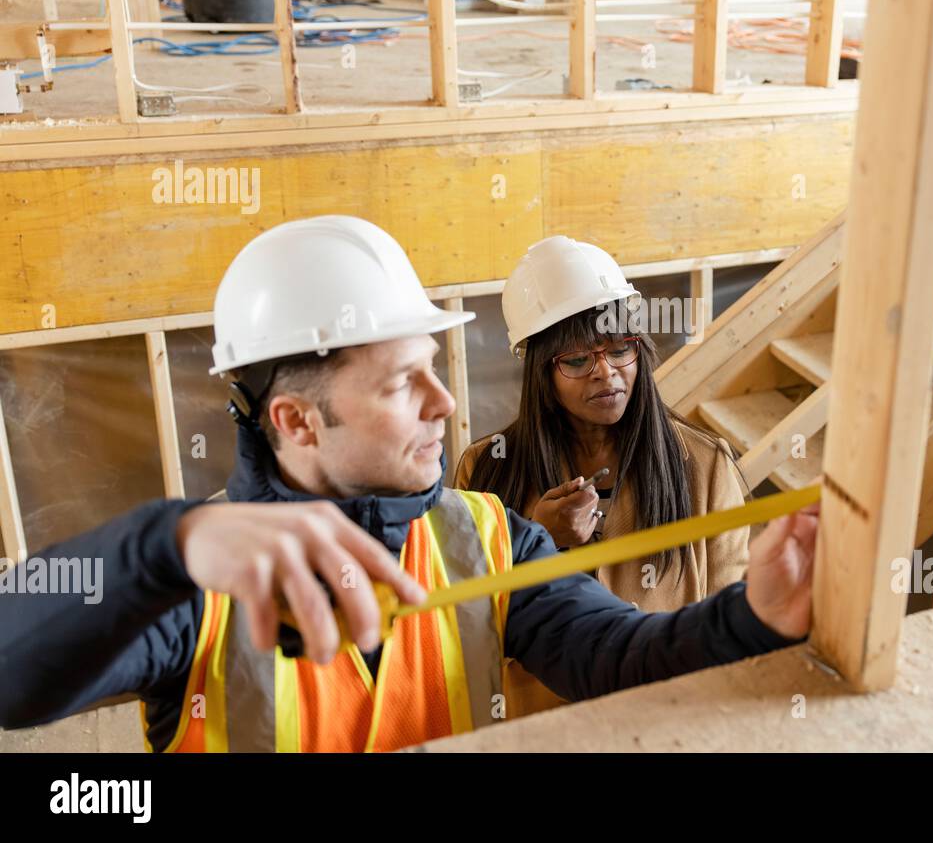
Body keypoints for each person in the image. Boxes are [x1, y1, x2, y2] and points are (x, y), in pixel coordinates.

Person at [0, 216, 818, 753]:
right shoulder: (198, 585)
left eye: (434, 367)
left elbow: (619, 653)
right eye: (402, 384)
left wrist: (752, 618)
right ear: (296, 421)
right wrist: (162, 546)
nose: (447, 401)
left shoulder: (493, 535)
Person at [456, 238, 753, 713]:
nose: (606, 372)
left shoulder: (704, 465)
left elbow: (727, 624)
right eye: (576, 360)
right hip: (537, 734)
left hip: (663, 724)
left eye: (620, 350)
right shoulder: (488, 466)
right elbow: (461, 626)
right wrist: (533, 537)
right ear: (539, 371)